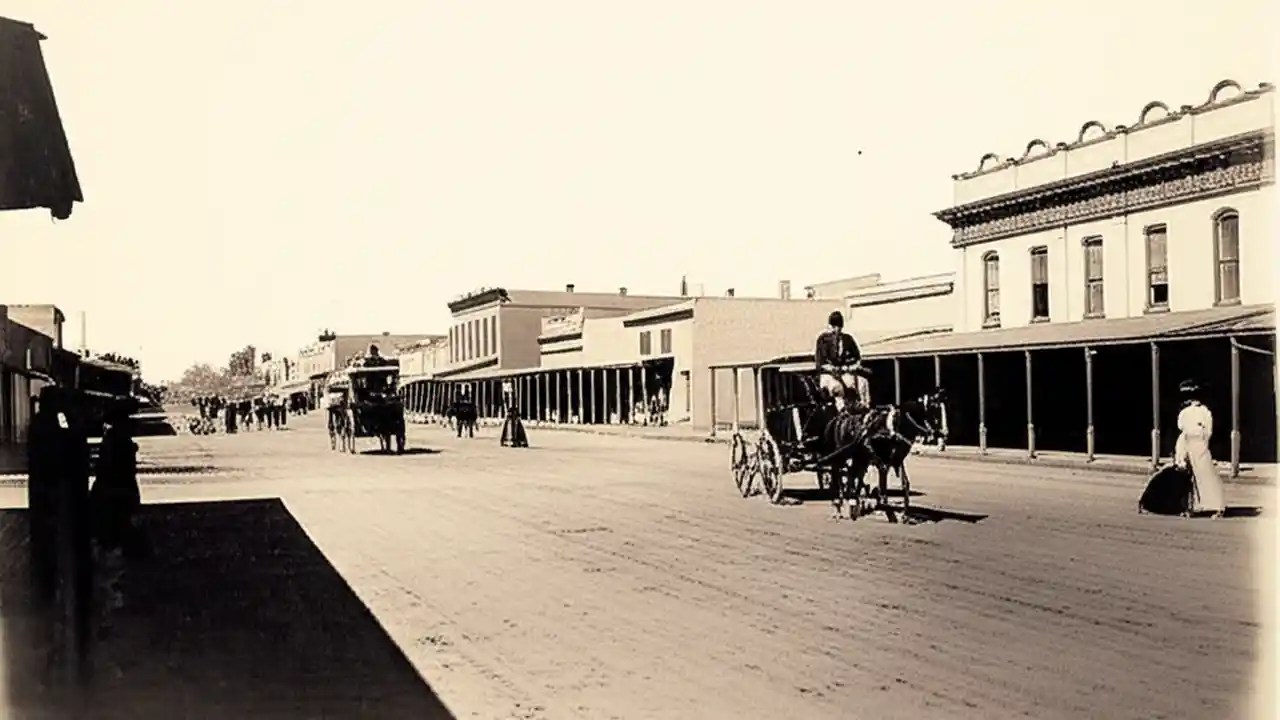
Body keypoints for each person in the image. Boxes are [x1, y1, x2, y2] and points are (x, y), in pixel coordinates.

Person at [1173, 379, 1226, 517]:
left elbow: (1207, 430)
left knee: (1205, 474)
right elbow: (1184, 429)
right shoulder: (1194, 412)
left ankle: (1215, 506)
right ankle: (1191, 506)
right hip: (1189, 442)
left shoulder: (1202, 411)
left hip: (1197, 443)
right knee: (1190, 475)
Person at [814, 310, 865, 413]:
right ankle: (842, 412)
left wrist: (850, 367)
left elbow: (857, 357)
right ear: (830, 326)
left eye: (839, 327)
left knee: (862, 383)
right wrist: (831, 368)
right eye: (834, 327)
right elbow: (820, 362)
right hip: (828, 375)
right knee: (837, 387)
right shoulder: (823, 339)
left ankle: (863, 408)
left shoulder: (848, 339)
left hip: (844, 372)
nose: (836, 330)